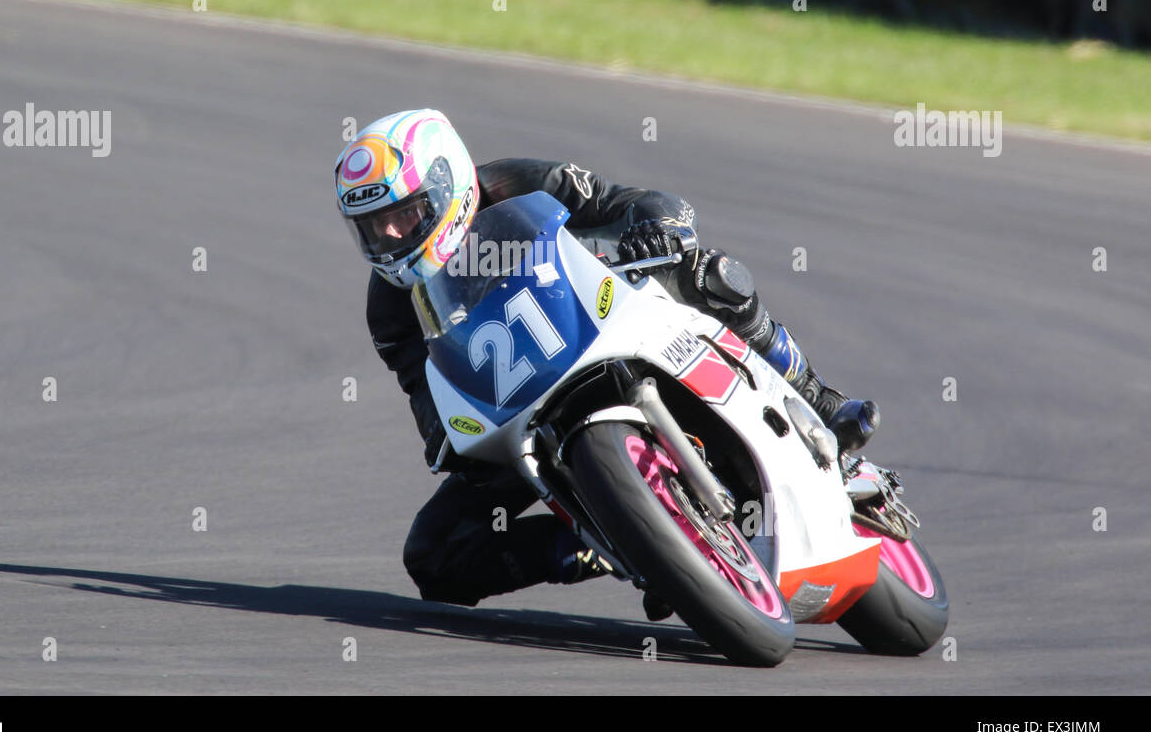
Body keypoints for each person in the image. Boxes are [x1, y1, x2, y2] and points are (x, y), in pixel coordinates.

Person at [336, 108, 878, 611]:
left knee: (708, 273)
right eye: (372, 226)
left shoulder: (515, 183)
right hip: (522, 412)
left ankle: (815, 394)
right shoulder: (389, 306)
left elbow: (632, 201)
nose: (389, 236)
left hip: (605, 320)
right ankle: (613, 544)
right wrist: (446, 437)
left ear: (445, 185)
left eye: (404, 214)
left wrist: (657, 228)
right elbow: (424, 393)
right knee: (432, 555)